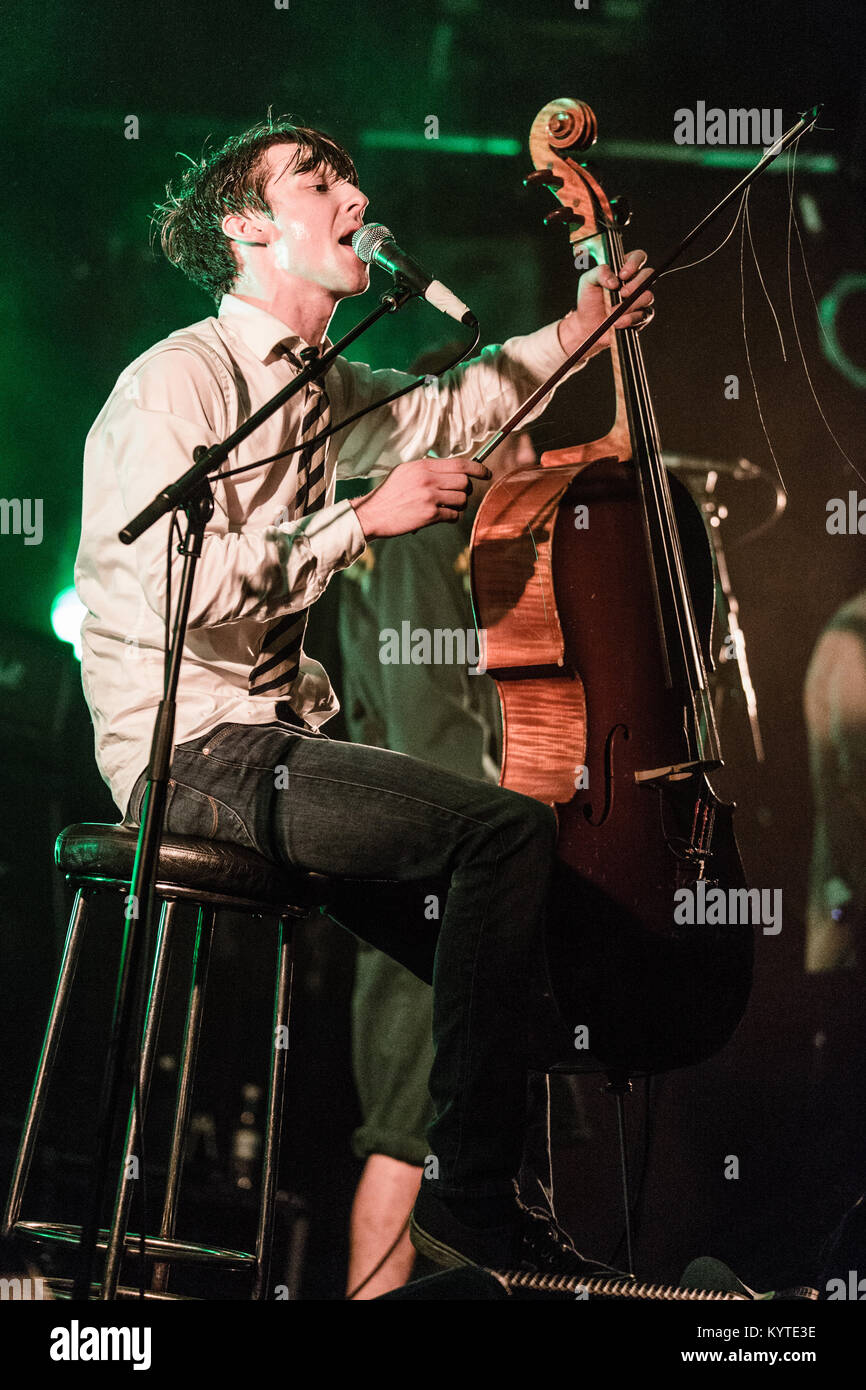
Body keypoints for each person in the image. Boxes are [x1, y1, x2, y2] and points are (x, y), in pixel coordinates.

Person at [75, 115, 655, 1275]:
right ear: (247, 228)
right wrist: (357, 518)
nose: (353, 195)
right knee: (498, 834)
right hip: (192, 757)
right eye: (318, 180)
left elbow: (454, 406)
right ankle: (466, 1202)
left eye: (348, 174)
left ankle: (491, 1230)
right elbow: (154, 587)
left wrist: (580, 328)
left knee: (521, 921)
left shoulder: (319, 382)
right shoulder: (179, 380)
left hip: (268, 745)